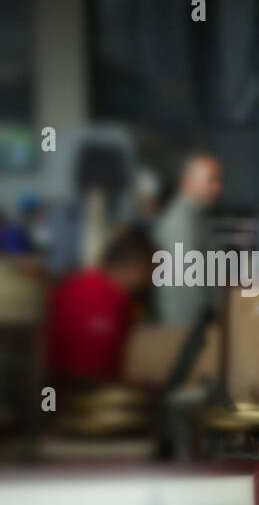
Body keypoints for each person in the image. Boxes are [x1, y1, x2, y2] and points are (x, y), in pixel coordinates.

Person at [45, 225, 155, 383]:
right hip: (74, 398)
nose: (152, 282)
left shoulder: (76, 285)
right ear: (139, 266)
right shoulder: (105, 300)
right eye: (153, 271)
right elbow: (89, 374)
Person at [152, 153, 222, 326]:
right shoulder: (180, 223)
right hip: (185, 331)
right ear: (188, 181)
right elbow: (184, 291)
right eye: (211, 181)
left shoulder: (196, 217)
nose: (217, 188)